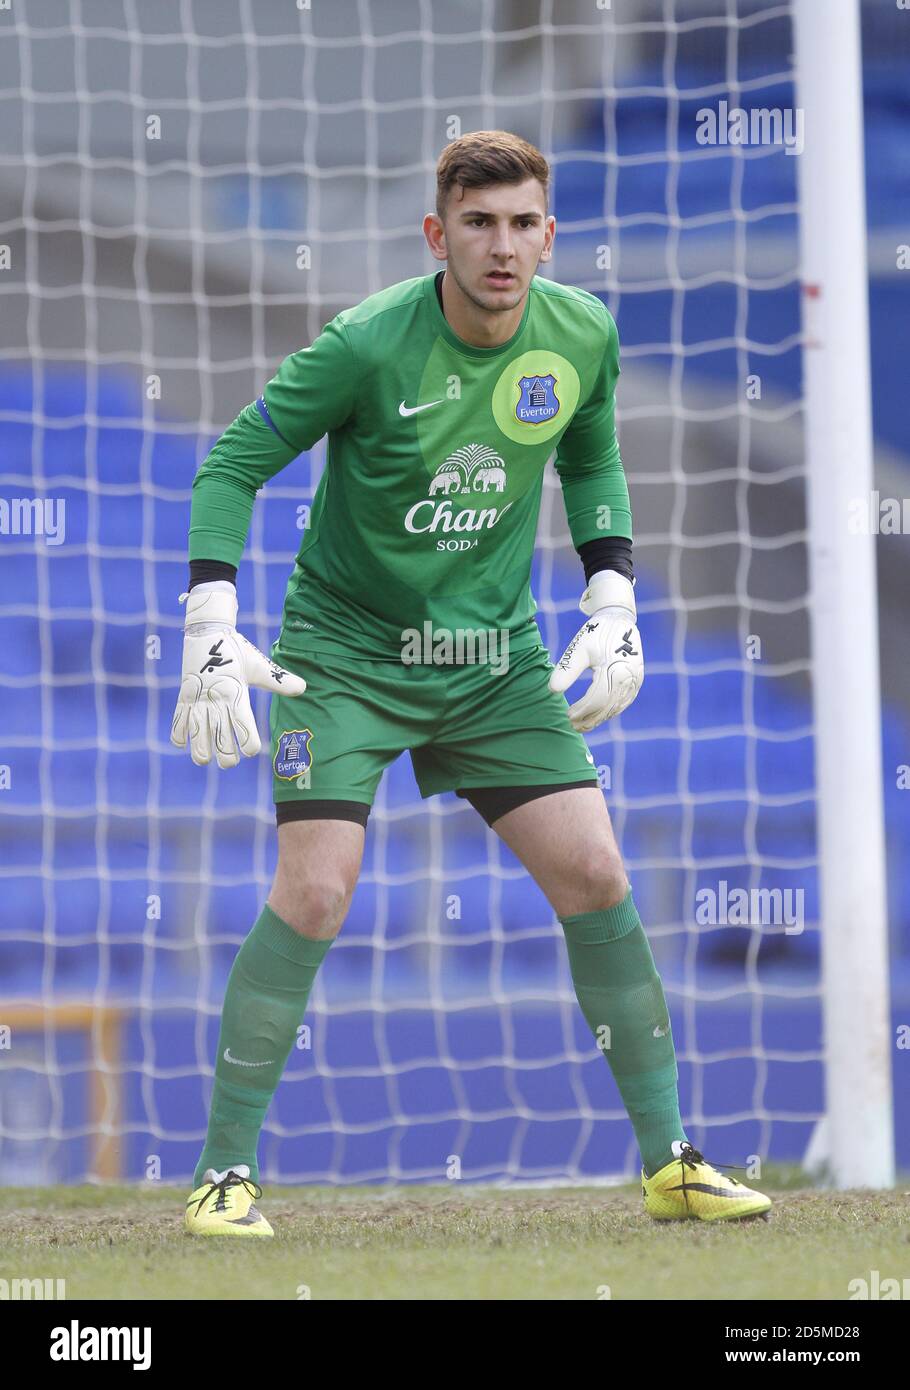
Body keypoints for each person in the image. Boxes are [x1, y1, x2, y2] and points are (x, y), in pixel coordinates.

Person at [173, 129, 771, 1236]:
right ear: (436, 232)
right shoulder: (363, 345)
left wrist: (611, 598)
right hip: (347, 658)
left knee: (594, 870)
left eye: (523, 223)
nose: (502, 247)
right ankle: (222, 1174)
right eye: (480, 224)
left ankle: (671, 1161)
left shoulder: (582, 331)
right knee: (314, 892)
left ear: (551, 234)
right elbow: (233, 462)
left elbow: (590, 452)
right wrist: (211, 615)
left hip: (490, 660)